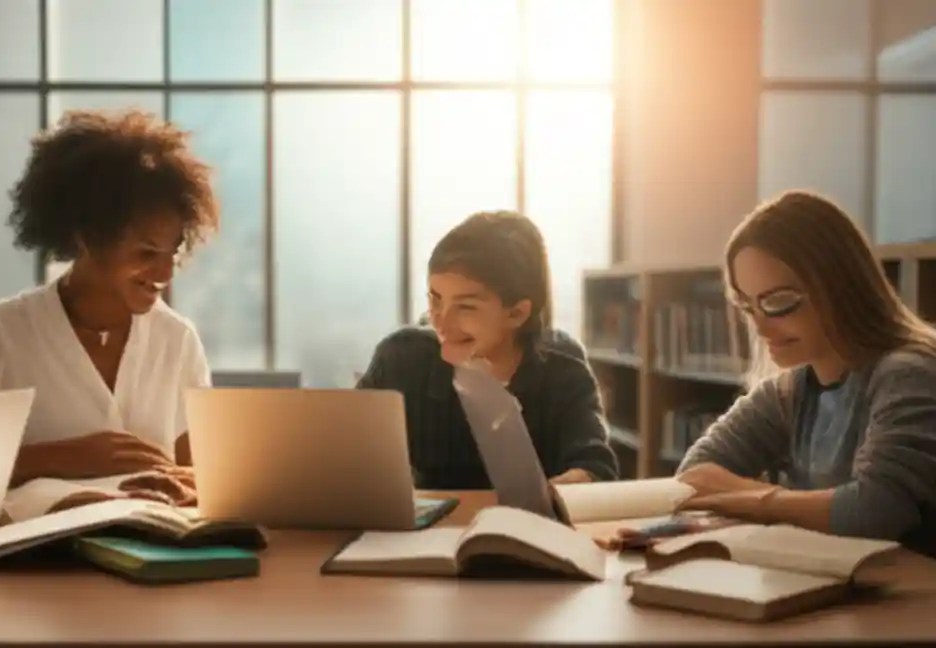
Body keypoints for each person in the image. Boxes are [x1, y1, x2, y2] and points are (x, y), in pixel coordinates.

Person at [0, 110, 218, 505]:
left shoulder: (178, 339)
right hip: (33, 560)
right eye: (147, 251)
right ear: (86, 237)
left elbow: (202, 474)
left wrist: (185, 486)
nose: (166, 271)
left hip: (153, 548)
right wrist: (61, 458)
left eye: (174, 251)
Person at [675, 190, 936, 555]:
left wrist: (756, 500)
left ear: (839, 286)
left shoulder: (908, 373)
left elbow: (876, 512)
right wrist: (812, 507)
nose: (762, 330)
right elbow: (695, 475)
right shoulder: (791, 389)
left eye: (779, 302)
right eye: (749, 307)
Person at [357, 210, 619, 490]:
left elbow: (595, 468)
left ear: (516, 313)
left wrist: (574, 482)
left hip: (524, 529)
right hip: (424, 531)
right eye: (435, 300)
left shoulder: (563, 371)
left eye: (466, 307)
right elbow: (343, 444)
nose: (440, 321)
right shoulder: (402, 358)